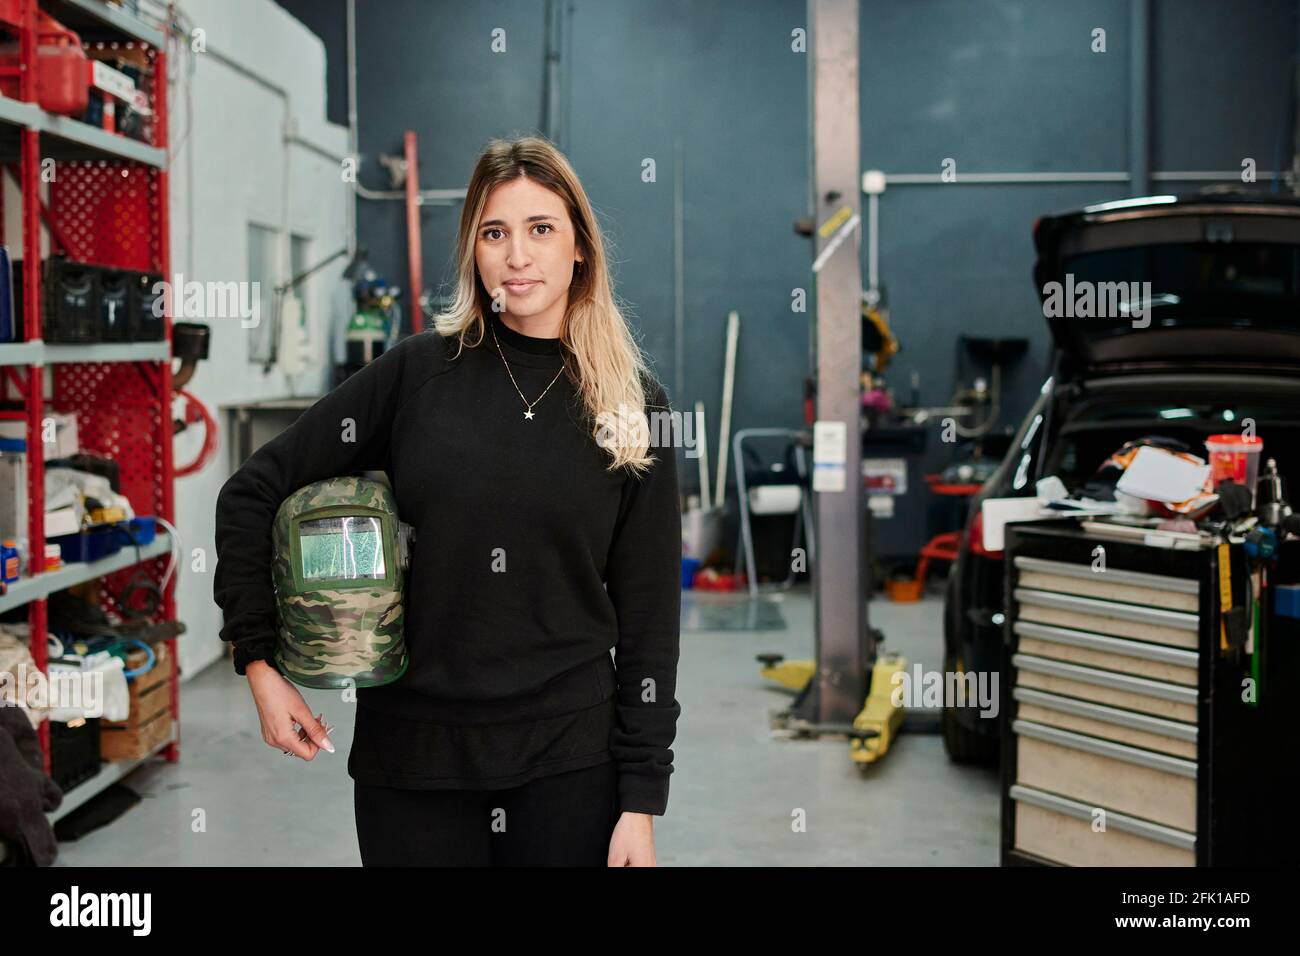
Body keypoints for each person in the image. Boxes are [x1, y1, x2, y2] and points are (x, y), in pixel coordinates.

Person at [212, 135, 682, 867]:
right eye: (494, 232)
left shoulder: (632, 405)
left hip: (569, 764)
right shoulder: (417, 374)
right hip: (414, 763)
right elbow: (252, 492)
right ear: (473, 249)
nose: (517, 256)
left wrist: (641, 799)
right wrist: (260, 664)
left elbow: (651, 614)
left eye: (540, 229)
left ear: (581, 248)